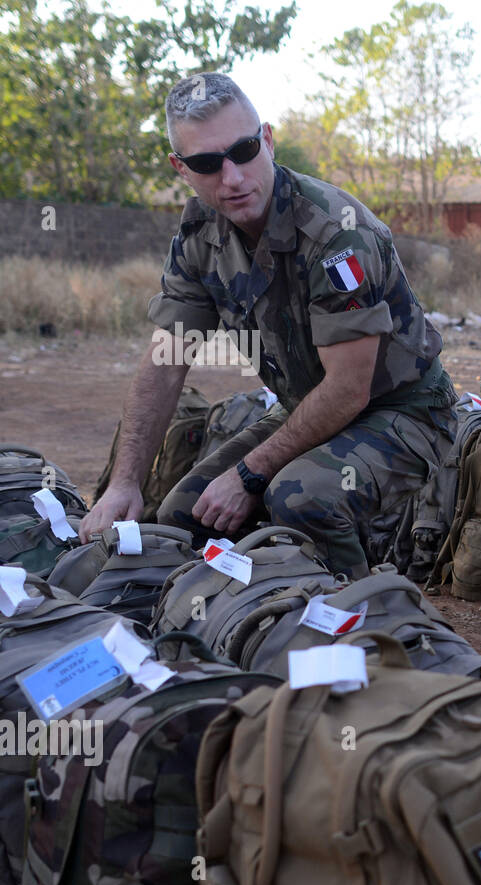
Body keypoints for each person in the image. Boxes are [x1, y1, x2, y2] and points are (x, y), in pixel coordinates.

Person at [81, 72, 456, 580]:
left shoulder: (335, 233)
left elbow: (349, 390)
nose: (232, 177)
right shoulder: (199, 237)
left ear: (269, 140)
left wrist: (252, 473)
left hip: (405, 413)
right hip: (310, 409)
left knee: (297, 496)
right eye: (207, 164)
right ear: (181, 169)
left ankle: (362, 618)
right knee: (184, 515)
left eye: (244, 150)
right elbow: (166, 363)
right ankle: (255, 610)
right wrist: (124, 482)